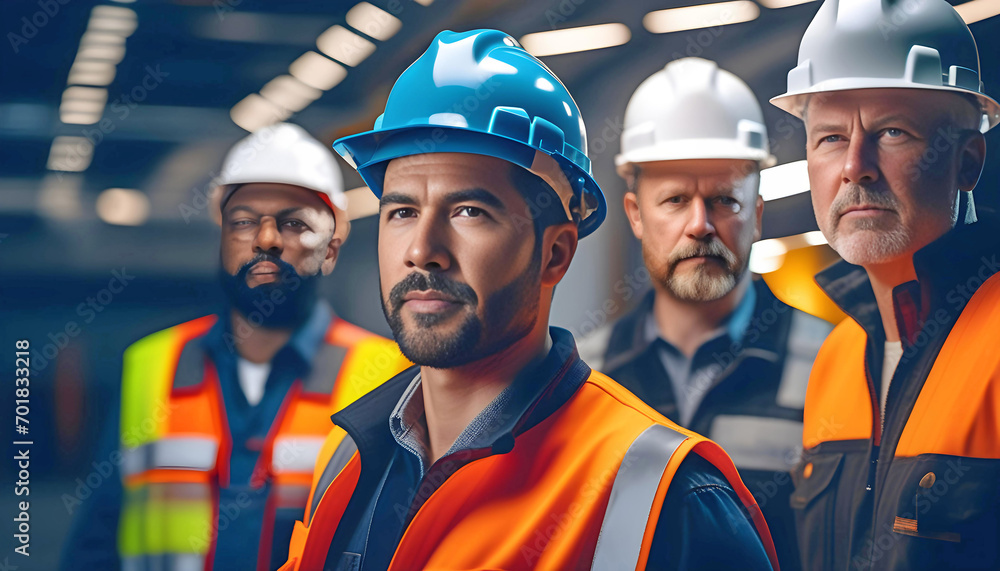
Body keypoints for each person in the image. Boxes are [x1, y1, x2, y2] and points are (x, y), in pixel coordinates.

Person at [279, 30, 778, 571]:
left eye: (469, 211)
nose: (422, 251)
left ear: (555, 253)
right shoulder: (347, 460)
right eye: (402, 212)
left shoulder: (668, 496)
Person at [60, 123, 410, 570]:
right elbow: (96, 542)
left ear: (331, 246)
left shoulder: (388, 375)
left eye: (294, 222)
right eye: (243, 221)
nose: (266, 240)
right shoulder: (150, 364)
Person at [577, 56, 832, 571]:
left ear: (756, 215)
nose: (700, 225)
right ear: (636, 216)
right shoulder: (583, 377)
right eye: (674, 200)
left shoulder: (832, 366)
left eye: (724, 201)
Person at [769, 0, 1000, 568]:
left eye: (893, 132)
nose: (855, 166)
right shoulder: (835, 359)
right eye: (829, 138)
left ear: (968, 162)